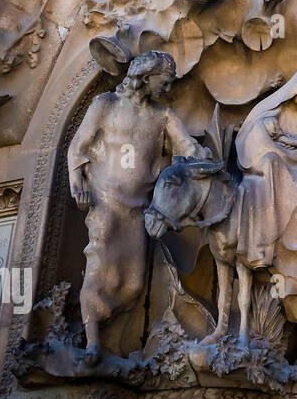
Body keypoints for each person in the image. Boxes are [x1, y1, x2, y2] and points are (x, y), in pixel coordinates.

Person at [68, 50, 201, 361]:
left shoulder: (163, 115)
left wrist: (198, 154)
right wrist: (78, 186)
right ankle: (91, 342)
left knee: (132, 284)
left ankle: (110, 335)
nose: (168, 90)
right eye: (164, 82)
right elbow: (79, 146)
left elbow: (185, 144)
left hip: (138, 208)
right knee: (99, 268)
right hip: (105, 200)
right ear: (146, 78)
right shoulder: (106, 105)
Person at [232, 68, 297, 355]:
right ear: (295, 86)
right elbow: (255, 150)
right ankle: (268, 244)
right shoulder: (268, 114)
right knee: (269, 164)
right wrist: (290, 153)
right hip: (272, 181)